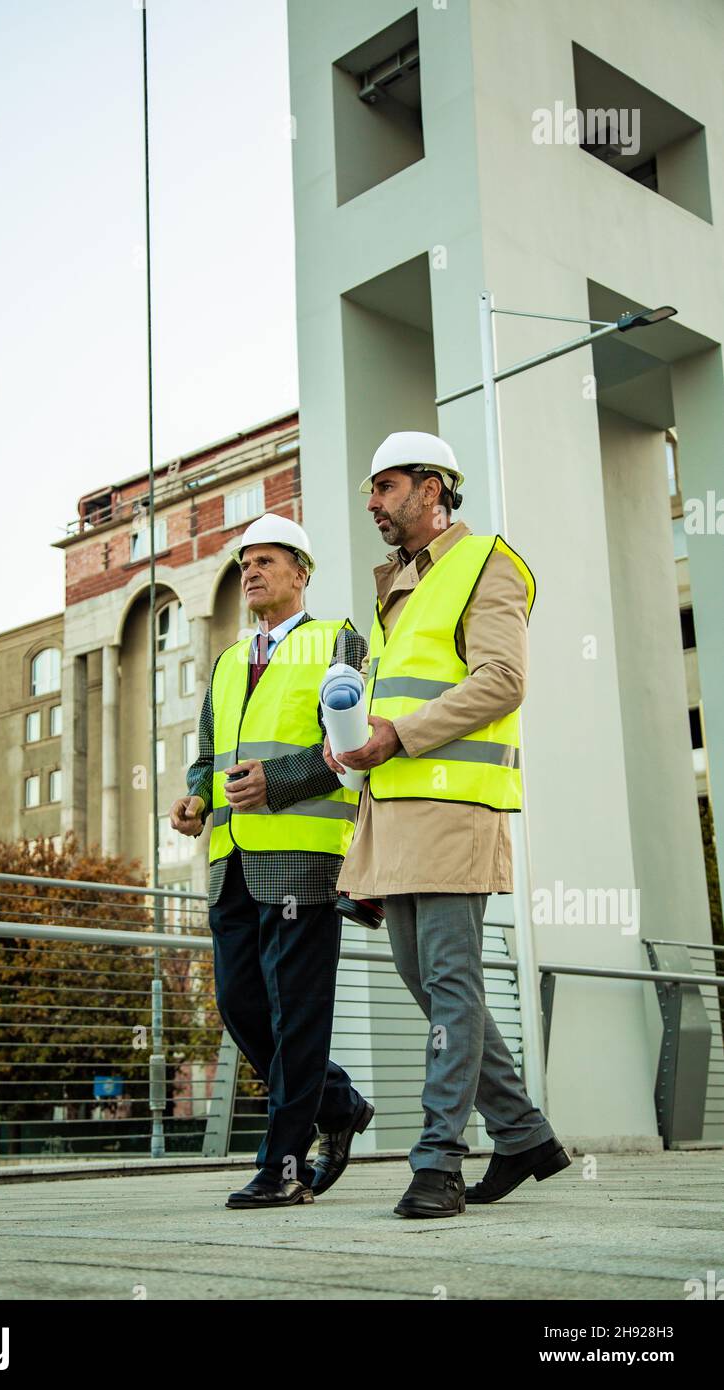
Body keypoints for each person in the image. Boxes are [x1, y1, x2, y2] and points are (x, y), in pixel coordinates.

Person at [326, 432, 571, 1217]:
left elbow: (503, 679)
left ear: (433, 489)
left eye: (386, 486)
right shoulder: (396, 584)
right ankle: (525, 1134)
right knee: (431, 985)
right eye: (372, 490)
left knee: (452, 985)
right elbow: (395, 694)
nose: (372, 502)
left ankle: (437, 1162)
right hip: (393, 811)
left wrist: (398, 734)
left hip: (456, 807)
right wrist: (354, 747)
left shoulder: (488, 561)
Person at [171, 512, 374, 1209]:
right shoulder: (229, 662)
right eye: (243, 564)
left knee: (299, 1014)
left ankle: (282, 1167)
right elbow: (208, 759)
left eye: (264, 561)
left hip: (302, 857)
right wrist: (196, 800)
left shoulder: (338, 641)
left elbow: (350, 744)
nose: (250, 573)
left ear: (301, 573)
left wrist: (278, 783)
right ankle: (340, 1104)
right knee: (240, 1005)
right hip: (229, 860)